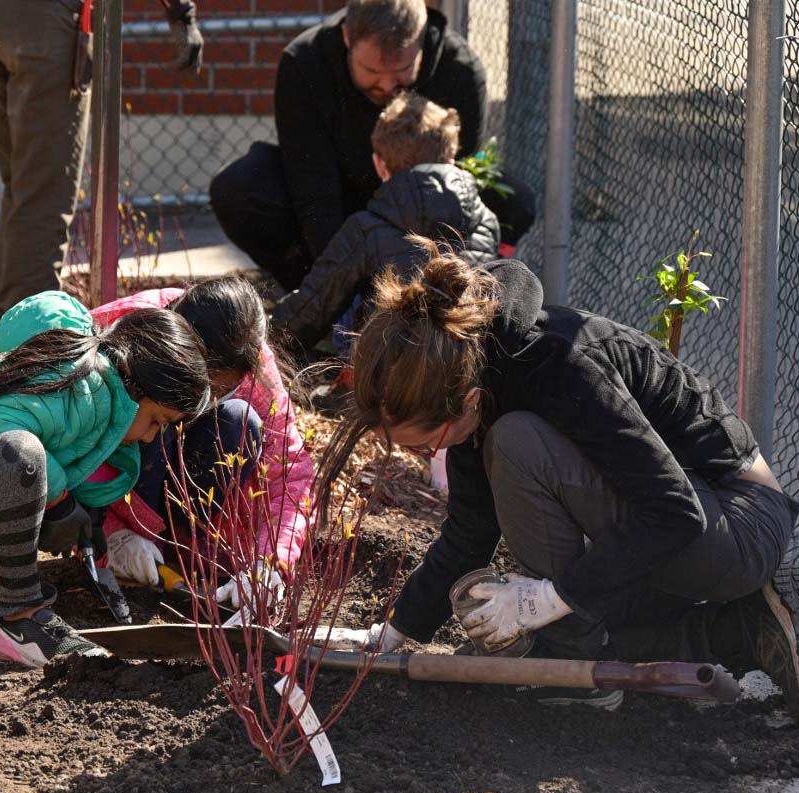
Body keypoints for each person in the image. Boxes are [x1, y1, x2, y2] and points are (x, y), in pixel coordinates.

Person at [313, 238, 799, 720]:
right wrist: (393, 633)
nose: (425, 457)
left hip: (737, 524)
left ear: (465, 402)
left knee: (517, 445)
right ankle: (748, 629)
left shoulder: (558, 367)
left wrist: (545, 600)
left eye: (424, 445)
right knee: (589, 626)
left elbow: (674, 512)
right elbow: (470, 532)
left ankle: (574, 659)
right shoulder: (474, 370)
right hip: (688, 526)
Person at [0, 291, 211, 667]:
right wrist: (59, 499)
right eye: (156, 420)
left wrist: (86, 520)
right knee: (22, 455)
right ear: (136, 385)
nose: (150, 437)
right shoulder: (78, 383)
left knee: (46, 474)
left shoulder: (104, 399)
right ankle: (19, 619)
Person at [209, 0, 535, 293]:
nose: (388, 86)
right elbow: (313, 189)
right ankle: (311, 293)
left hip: (422, 205)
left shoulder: (460, 69)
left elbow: (454, 187)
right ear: (347, 38)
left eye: (403, 70)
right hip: (338, 197)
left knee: (514, 202)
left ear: (420, 40)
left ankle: (464, 294)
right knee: (240, 189)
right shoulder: (306, 61)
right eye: (372, 72)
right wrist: (336, 287)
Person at [0, 0, 203, 319]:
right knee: (43, 192)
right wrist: (181, 12)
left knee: (21, 182)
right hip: (42, 23)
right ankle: (29, 342)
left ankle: (9, 322)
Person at [89, 278, 313, 614]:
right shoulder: (123, 335)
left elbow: (289, 476)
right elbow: (68, 443)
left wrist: (270, 562)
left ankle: (176, 548)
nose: (197, 405)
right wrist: (109, 533)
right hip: (118, 493)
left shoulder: (252, 366)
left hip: (180, 507)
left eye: (217, 391)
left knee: (240, 421)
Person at [271, 91, 499, 353]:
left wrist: (263, 339)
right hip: (468, 362)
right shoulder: (485, 220)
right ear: (450, 160)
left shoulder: (367, 228)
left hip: (390, 369)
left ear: (379, 164)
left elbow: (310, 311)